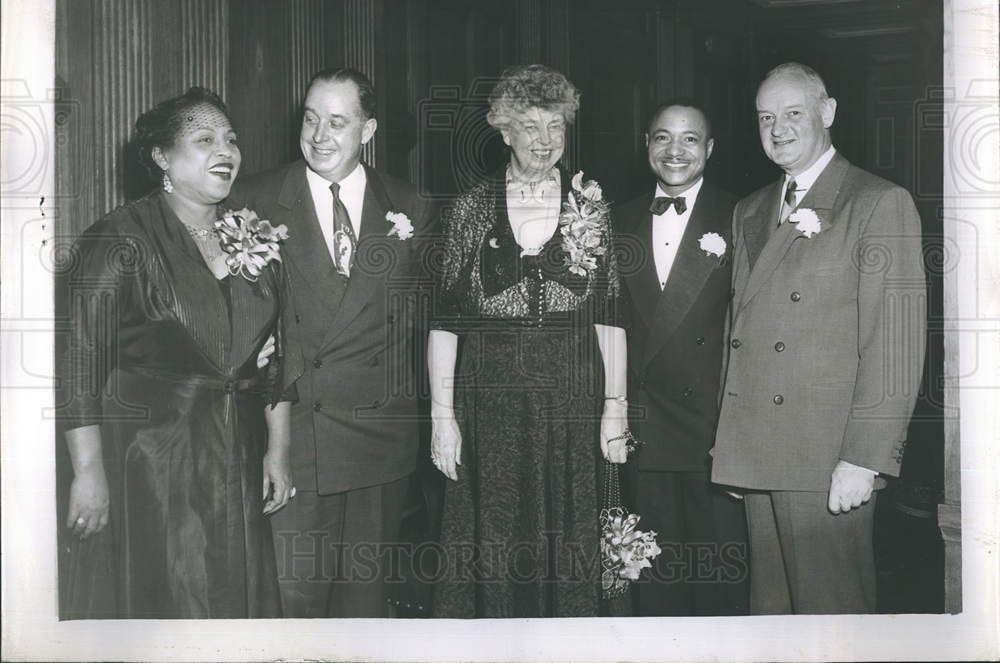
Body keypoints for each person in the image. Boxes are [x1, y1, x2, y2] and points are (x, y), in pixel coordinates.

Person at [58, 87, 294, 619]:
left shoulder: (254, 236)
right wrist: (88, 472)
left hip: (238, 450)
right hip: (157, 460)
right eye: (205, 139)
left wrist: (277, 451)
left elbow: (278, 357)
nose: (226, 151)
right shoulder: (117, 238)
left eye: (231, 139)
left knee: (242, 604)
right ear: (162, 157)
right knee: (175, 601)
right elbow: (78, 369)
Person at [711, 62, 926, 614]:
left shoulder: (877, 201)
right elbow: (739, 332)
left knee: (833, 618)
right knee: (773, 614)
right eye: (765, 117)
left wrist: (865, 458)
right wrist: (732, 446)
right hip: (760, 449)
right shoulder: (751, 209)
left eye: (793, 113)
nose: (777, 128)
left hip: (827, 456)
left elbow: (895, 345)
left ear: (827, 113)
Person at [231, 68, 436, 618]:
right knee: (293, 603)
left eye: (337, 122)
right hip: (298, 440)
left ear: (367, 130)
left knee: (363, 608)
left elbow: (426, 321)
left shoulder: (410, 203)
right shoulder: (254, 201)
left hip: (381, 442)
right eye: (310, 118)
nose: (320, 135)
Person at [429, 64, 629, 618]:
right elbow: (446, 322)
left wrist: (615, 408)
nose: (545, 142)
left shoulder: (589, 203)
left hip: (571, 403)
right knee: (495, 534)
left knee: (569, 542)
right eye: (531, 127)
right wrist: (442, 420)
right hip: (489, 403)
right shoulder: (470, 208)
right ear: (504, 130)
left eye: (556, 127)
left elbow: (610, 314)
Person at [613, 99, 749, 616]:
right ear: (646, 145)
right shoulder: (615, 219)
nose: (675, 150)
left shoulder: (742, 215)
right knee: (654, 579)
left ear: (709, 149)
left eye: (690, 139)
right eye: (661, 137)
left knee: (719, 578)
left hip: (713, 430)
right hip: (642, 428)